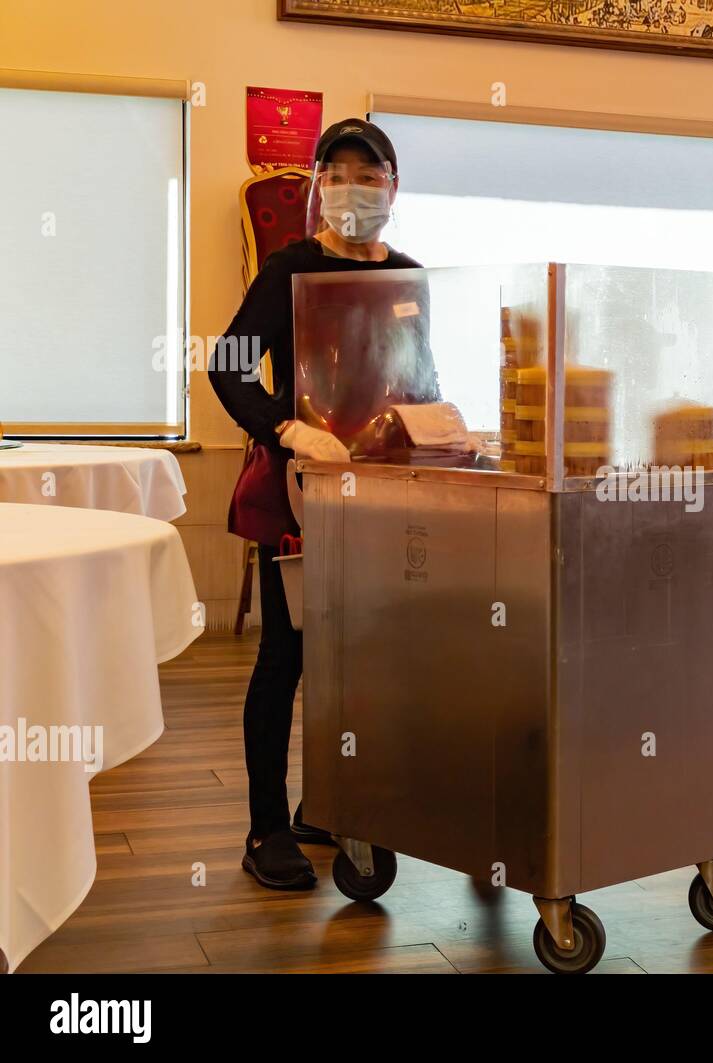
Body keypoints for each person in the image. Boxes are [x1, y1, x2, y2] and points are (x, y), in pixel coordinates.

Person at [210, 118, 426, 889]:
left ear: (393, 188)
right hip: (296, 494)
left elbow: (419, 377)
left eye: (368, 175)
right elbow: (228, 366)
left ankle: (330, 803)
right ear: (319, 186)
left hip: (380, 492)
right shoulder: (290, 270)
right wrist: (286, 426)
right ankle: (267, 827)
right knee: (288, 656)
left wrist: (438, 425)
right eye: (337, 174)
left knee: (363, 656)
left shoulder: (407, 277)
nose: (352, 189)